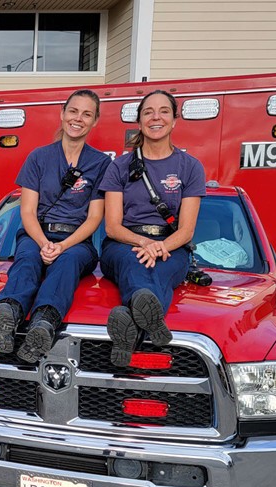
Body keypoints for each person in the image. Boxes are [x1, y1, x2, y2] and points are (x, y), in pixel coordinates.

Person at [0, 89, 112, 363]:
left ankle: (43, 324)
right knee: (27, 258)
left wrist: (62, 245)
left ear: (95, 121)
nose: (78, 118)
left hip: (77, 242)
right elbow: (28, 211)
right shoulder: (38, 158)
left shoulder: (102, 163)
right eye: (73, 111)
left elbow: (94, 219)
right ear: (62, 114)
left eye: (86, 114)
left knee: (67, 262)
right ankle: (8, 314)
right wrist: (44, 243)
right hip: (37, 234)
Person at [98, 89, 206, 366]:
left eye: (163, 111)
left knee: (159, 273)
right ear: (140, 121)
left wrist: (161, 246)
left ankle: (130, 330)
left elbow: (186, 231)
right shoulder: (119, 166)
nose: (156, 117)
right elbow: (112, 226)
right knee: (137, 263)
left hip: (173, 247)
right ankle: (147, 317)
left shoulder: (190, 167)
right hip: (123, 244)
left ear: (174, 121)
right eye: (148, 112)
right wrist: (145, 243)